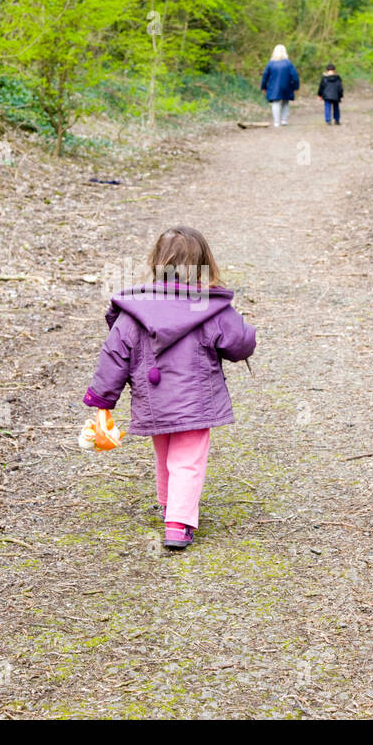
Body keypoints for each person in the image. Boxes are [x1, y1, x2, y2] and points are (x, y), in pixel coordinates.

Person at [83, 226, 257, 550]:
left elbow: (114, 353)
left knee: (164, 453)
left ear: (157, 262)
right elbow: (239, 344)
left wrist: (103, 400)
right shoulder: (209, 308)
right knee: (187, 460)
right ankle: (178, 523)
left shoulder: (136, 310)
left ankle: (168, 506)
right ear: (204, 264)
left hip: (153, 400)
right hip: (196, 403)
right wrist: (246, 330)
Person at [260, 45, 300, 127]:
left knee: (275, 103)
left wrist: (263, 86)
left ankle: (276, 122)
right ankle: (284, 120)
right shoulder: (288, 63)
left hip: (273, 87)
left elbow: (265, 76)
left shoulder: (270, 64)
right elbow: (295, 76)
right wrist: (296, 86)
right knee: (285, 102)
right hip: (287, 86)